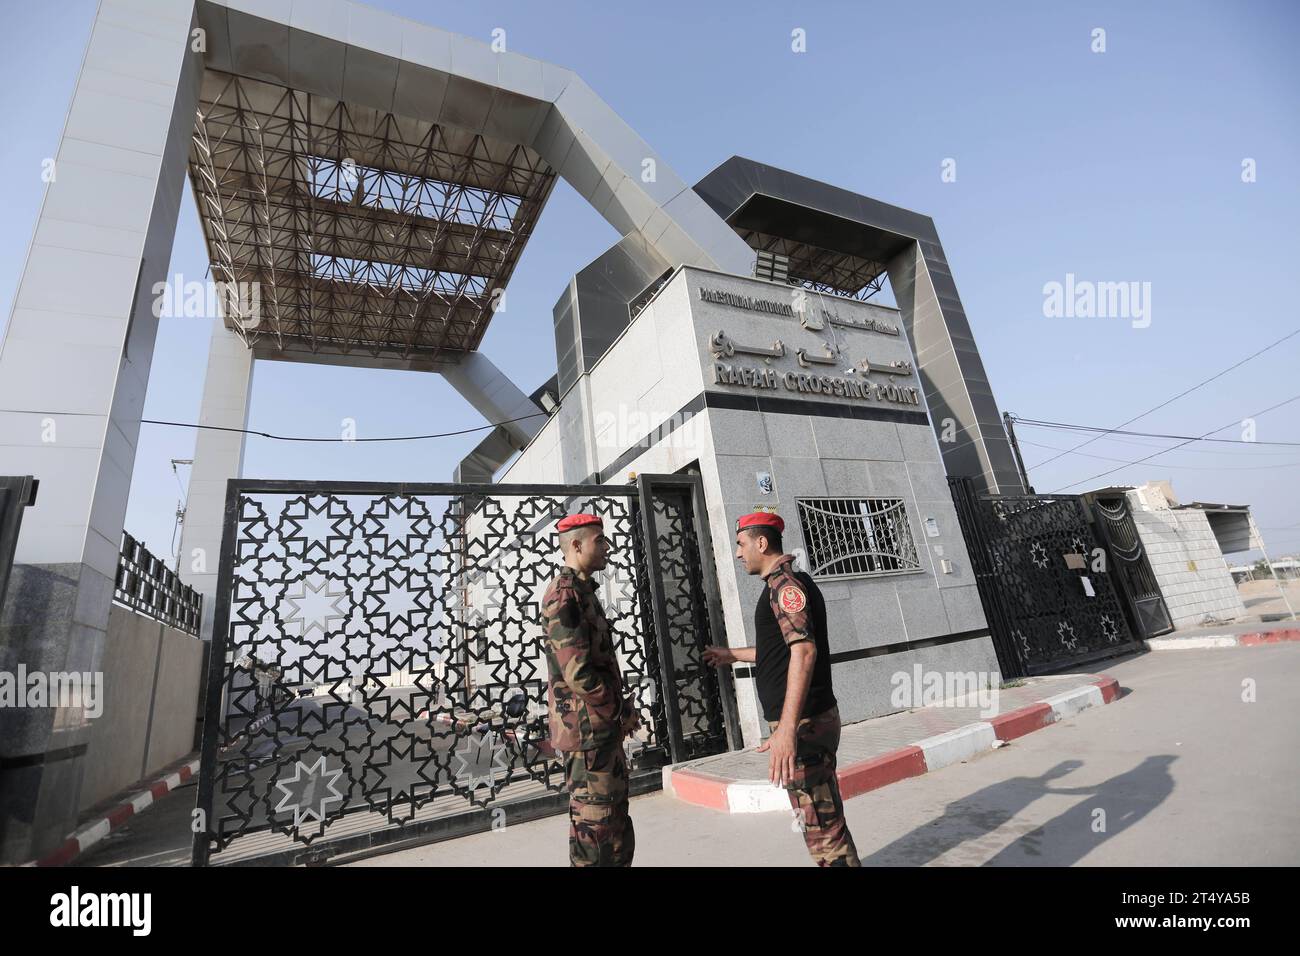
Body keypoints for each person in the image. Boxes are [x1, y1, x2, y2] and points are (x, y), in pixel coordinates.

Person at [704, 510, 861, 867]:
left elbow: (804, 652)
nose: (738, 553)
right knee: (821, 821)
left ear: (761, 543)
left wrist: (787, 730)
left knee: (823, 829)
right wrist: (732, 655)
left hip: (804, 726)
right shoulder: (782, 584)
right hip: (804, 723)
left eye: (741, 544)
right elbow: (780, 651)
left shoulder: (785, 587)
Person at [540, 512, 639, 866]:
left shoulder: (583, 592)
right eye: (600, 540)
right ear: (576, 545)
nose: (607, 547)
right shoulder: (564, 595)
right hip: (586, 736)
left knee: (614, 826)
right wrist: (620, 711)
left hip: (600, 730)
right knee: (595, 831)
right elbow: (578, 674)